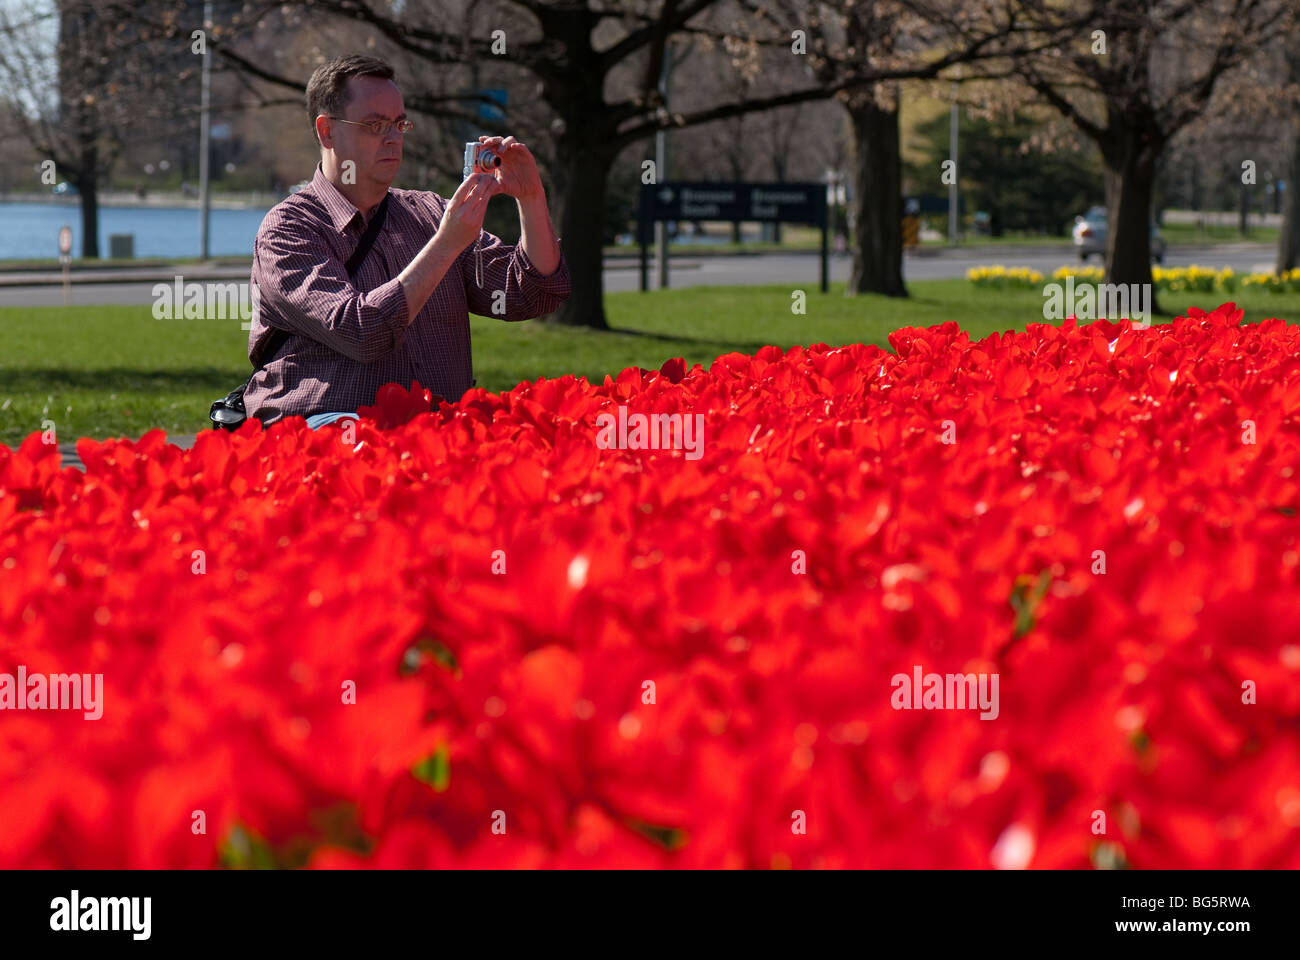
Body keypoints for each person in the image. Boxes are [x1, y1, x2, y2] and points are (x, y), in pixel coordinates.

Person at [244, 54, 570, 429]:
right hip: (325, 449)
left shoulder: (430, 212)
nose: (393, 138)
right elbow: (361, 333)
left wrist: (530, 198)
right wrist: (446, 244)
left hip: (434, 449)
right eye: (375, 124)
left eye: (399, 124)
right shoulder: (288, 229)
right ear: (327, 131)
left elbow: (534, 294)